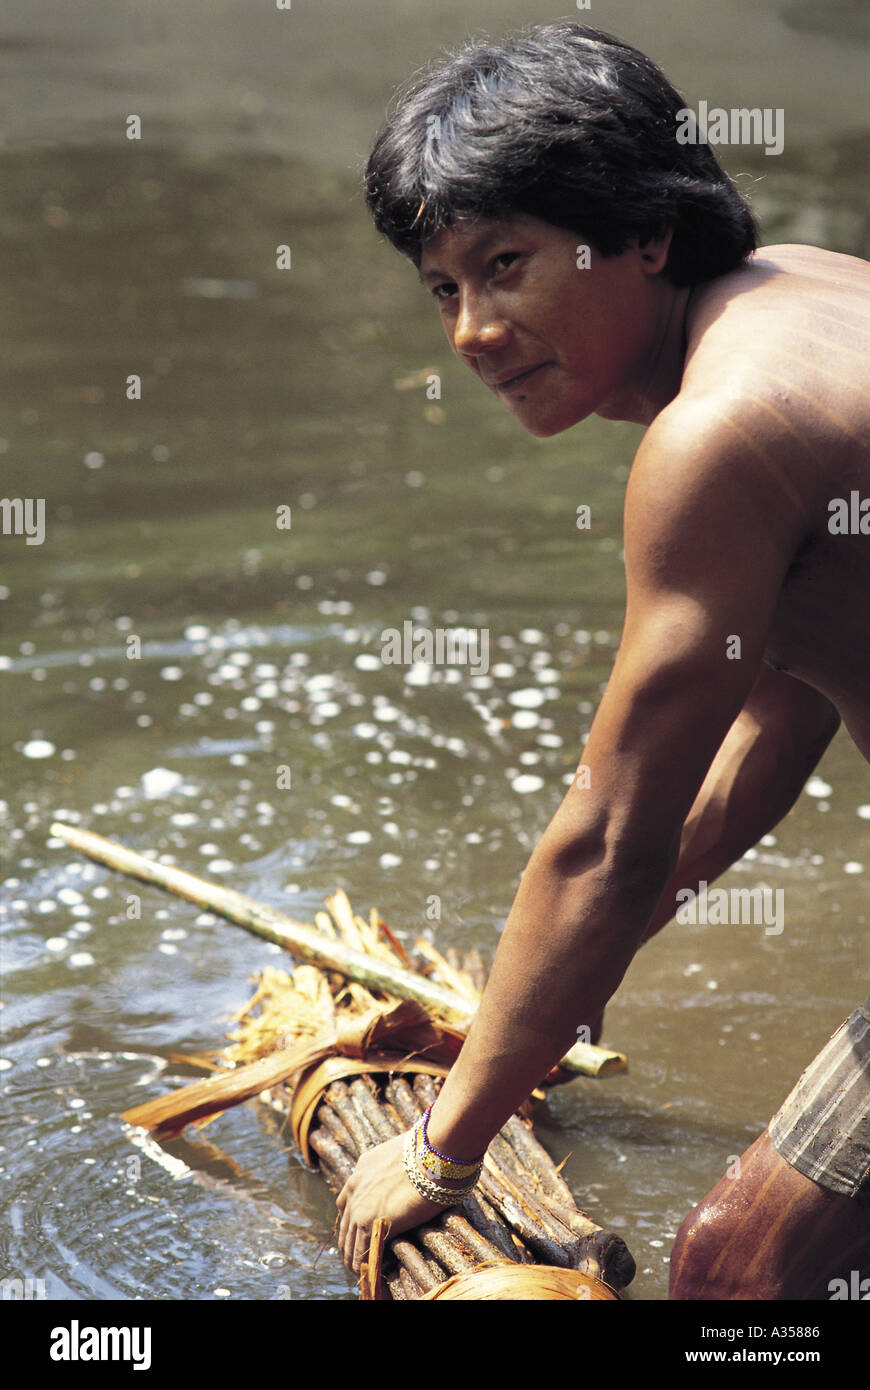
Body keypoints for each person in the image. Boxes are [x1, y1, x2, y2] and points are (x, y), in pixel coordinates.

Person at [336, 21, 870, 1297]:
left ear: (650, 234)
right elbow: (783, 712)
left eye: (506, 264)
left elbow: (608, 839)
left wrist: (446, 1148)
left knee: (738, 1273)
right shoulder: (809, 294)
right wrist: (562, 996)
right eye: (444, 288)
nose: (471, 330)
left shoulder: (719, 437)